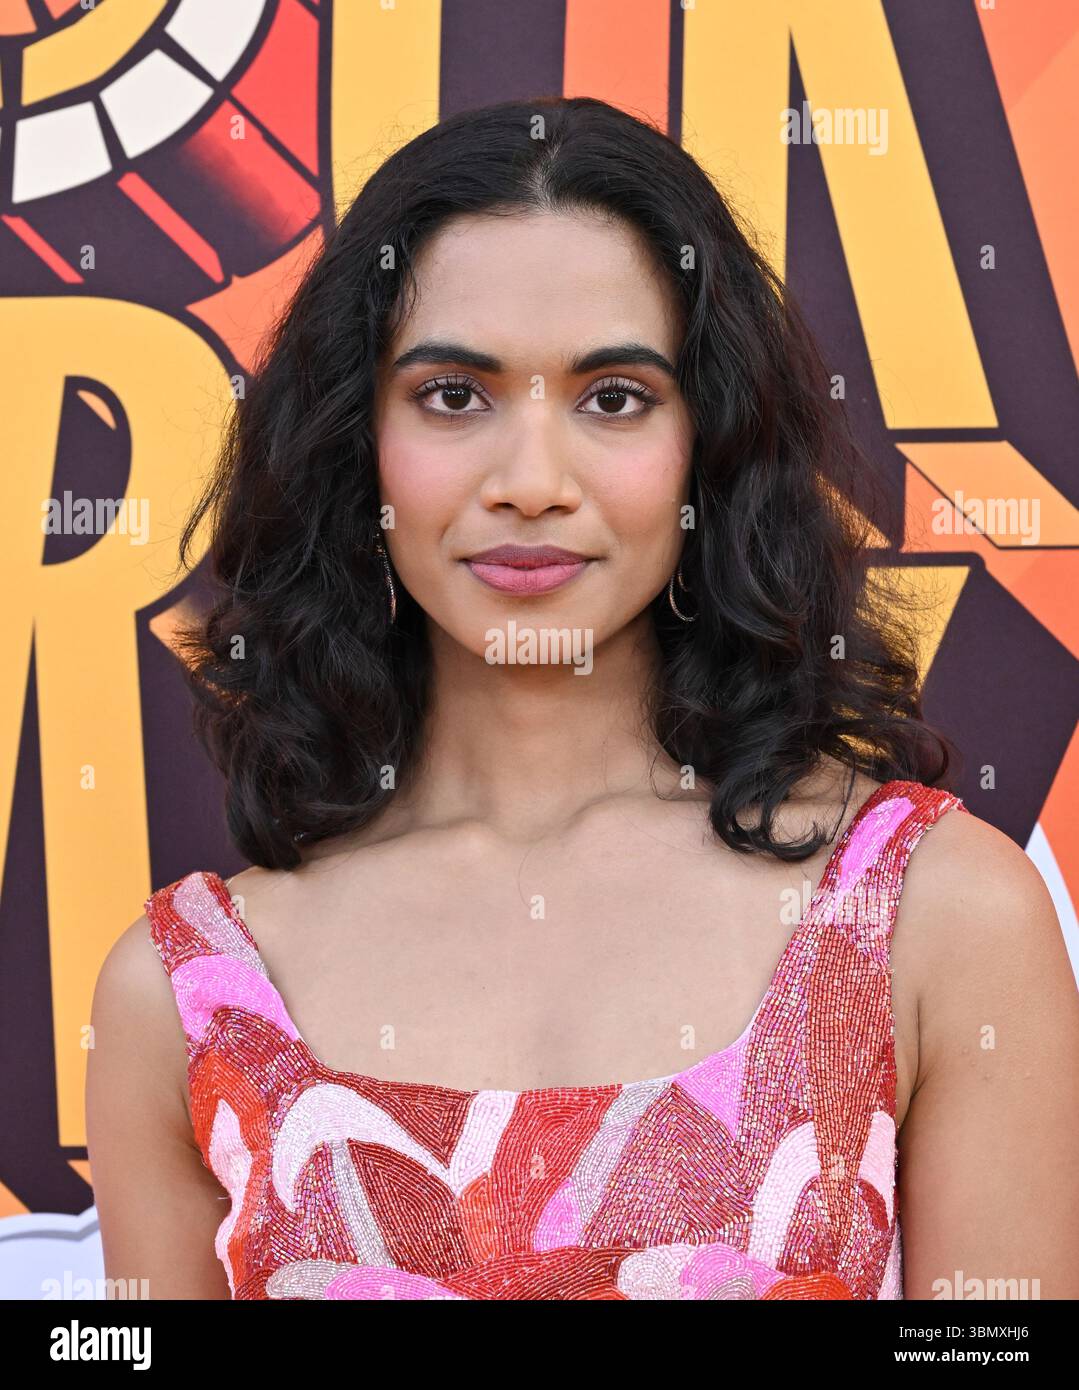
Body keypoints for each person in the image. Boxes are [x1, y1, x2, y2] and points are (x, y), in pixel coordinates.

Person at [86, 97, 1078, 1301]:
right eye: (455, 394)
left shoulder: (933, 918)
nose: (532, 482)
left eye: (613, 397)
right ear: (360, 441)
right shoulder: (185, 993)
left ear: (706, 441)